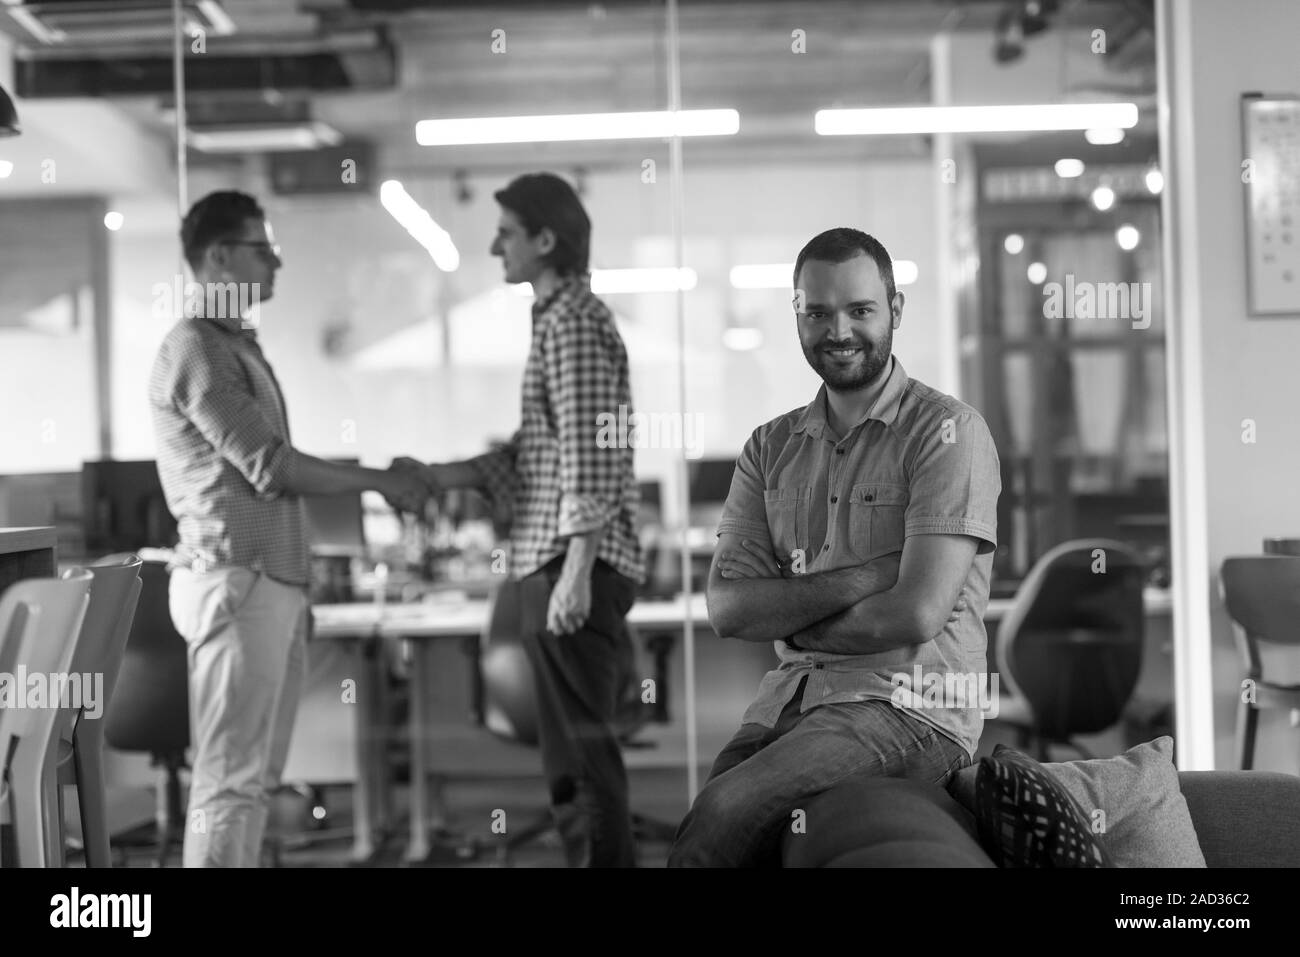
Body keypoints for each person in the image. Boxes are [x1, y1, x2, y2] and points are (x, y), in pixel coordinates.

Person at [667, 227, 1001, 868]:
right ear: (797, 316)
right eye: (818, 312)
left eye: (860, 310)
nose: (838, 330)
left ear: (895, 312)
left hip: (914, 707)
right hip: (790, 698)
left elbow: (914, 617)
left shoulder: (947, 434)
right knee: (712, 820)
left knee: (722, 815)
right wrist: (870, 576)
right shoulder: (770, 447)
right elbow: (730, 611)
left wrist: (792, 620)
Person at [148, 190, 430, 868]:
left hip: (265, 580)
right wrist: (381, 482)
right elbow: (269, 466)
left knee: (254, 780)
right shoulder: (196, 348)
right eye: (260, 247)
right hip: (234, 577)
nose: (274, 261)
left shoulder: (233, 346)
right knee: (229, 779)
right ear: (218, 257)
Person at [396, 172, 645, 867]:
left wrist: (573, 572)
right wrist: (440, 477)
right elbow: (535, 452)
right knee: (572, 760)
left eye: (505, 232)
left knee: (584, 764)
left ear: (545, 239)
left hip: (573, 564)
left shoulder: (573, 323)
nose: (493, 245)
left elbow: (593, 450)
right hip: (559, 557)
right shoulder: (556, 322)